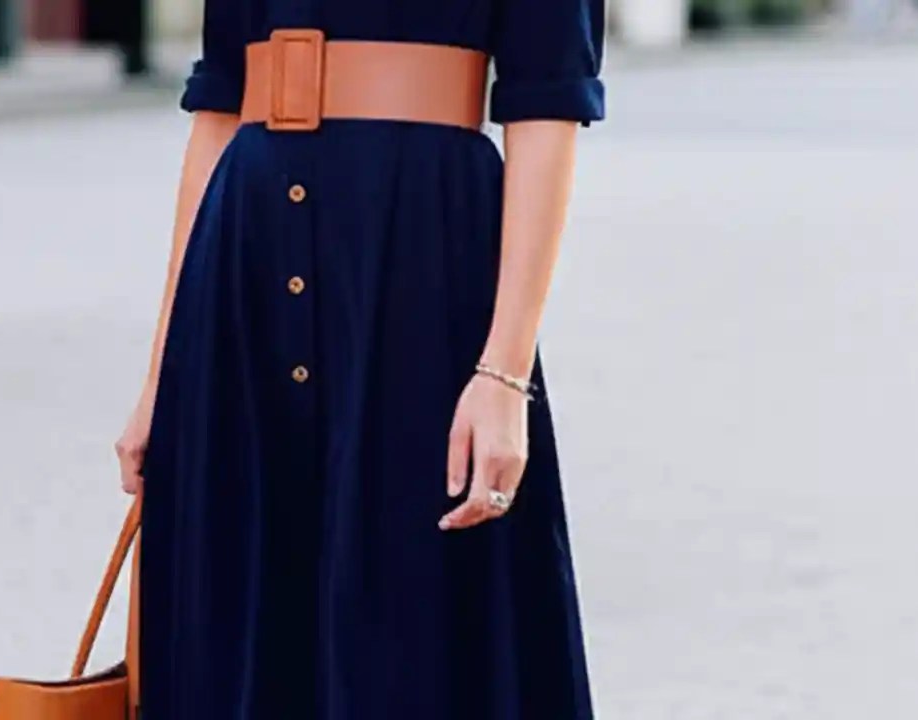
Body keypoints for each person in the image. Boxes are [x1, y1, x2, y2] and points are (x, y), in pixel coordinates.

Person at [114, 1, 605, 717]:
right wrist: (161, 377)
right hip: (240, 288)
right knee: (241, 627)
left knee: (411, 628)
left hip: (422, 279)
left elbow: (548, 109)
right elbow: (219, 106)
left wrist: (504, 373)